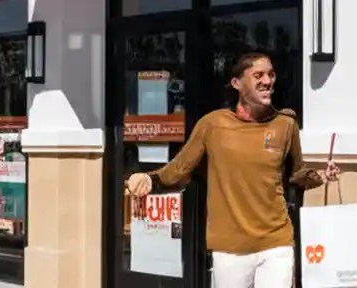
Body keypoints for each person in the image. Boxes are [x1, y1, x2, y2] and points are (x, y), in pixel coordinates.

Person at [127, 52, 339, 288]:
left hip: (276, 242)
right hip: (229, 249)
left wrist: (321, 176)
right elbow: (180, 167)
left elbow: (295, 174)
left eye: (271, 74)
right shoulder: (213, 124)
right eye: (258, 75)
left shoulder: (285, 124)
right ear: (237, 83)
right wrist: (150, 178)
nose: (267, 81)